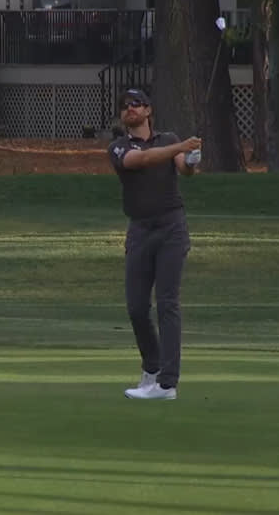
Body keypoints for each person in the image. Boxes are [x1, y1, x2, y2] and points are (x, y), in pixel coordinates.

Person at [107, 88, 201, 400]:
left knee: (167, 302)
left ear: (148, 110)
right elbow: (143, 160)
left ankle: (167, 383)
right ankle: (152, 366)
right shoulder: (119, 147)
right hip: (139, 229)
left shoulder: (168, 139)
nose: (129, 108)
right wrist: (182, 146)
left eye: (136, 104)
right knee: (136, 307)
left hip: (171, 227)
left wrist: (191, 159)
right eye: (124, 105)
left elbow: (185, 170)